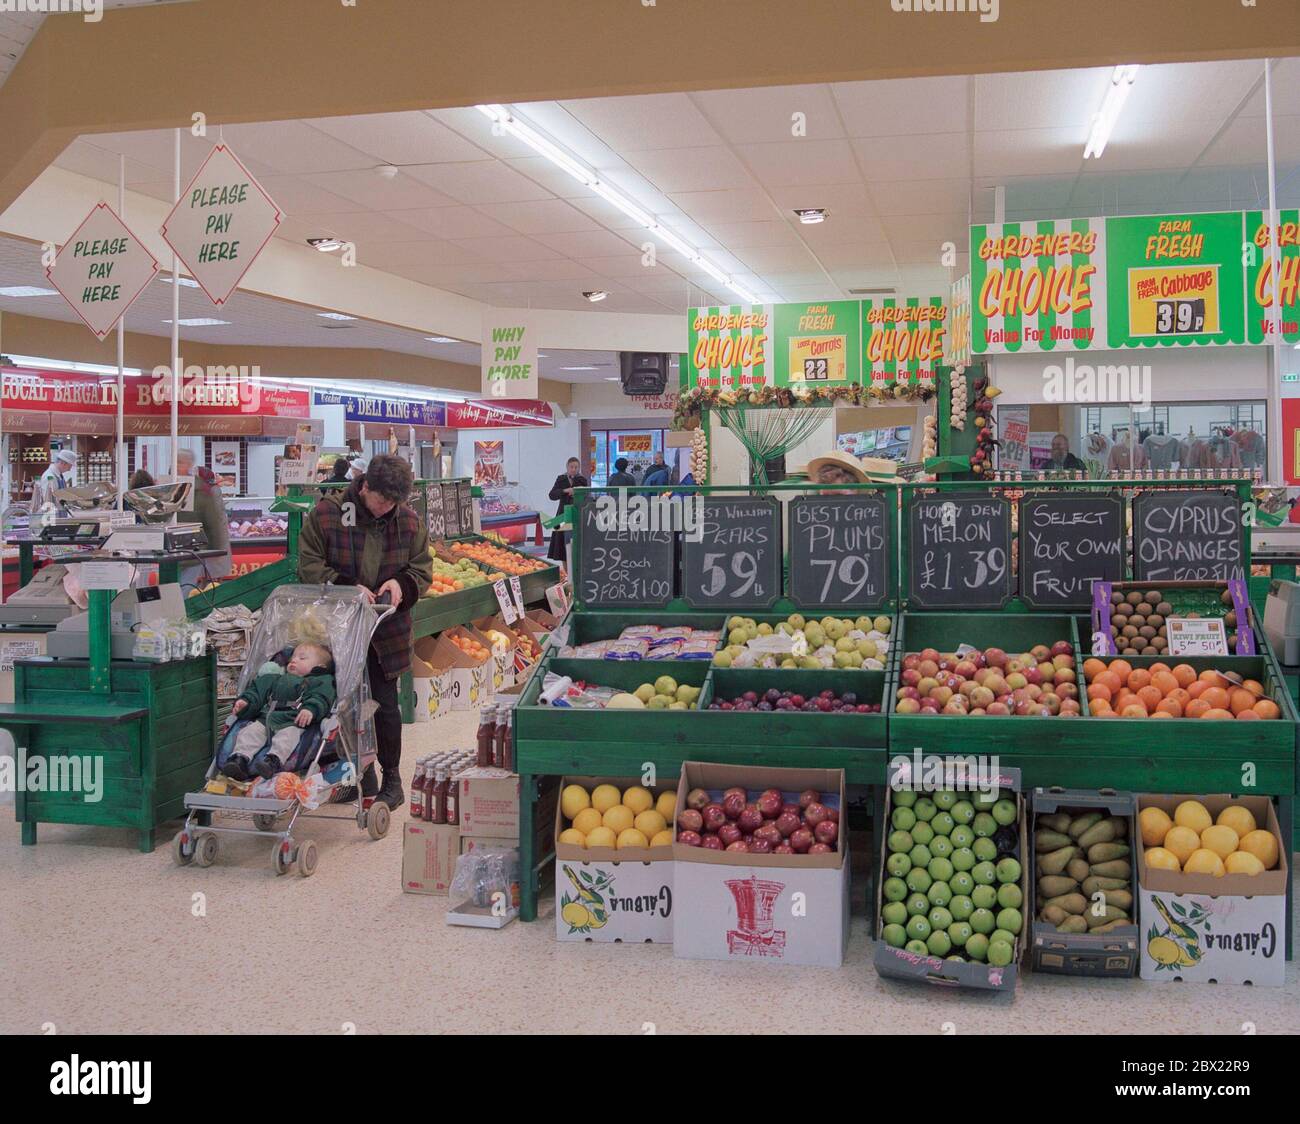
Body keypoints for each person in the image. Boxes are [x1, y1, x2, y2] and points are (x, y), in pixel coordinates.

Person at [297, 454, 433, 809]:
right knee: (338, 704)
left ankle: (392, 779)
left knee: (385, 706)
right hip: (335, 629)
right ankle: (357, 774)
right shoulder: (326, 514)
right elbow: (309, 564)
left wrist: (402, 583)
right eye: (380, 500)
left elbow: (422, 569)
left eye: (393, 502)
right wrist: (345, 587)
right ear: (364, 485)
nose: (385, 508)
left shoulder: (409, 520)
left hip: (386, 628)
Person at [221, 642, 336, 780]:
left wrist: (310, 709)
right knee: (250, 732)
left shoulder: (320, 681)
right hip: (266, 718)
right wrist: (245, 701)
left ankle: (272, 761)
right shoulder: (274, 678)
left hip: (293, 721)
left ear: (319, 667)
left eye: (302, 658)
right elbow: (257, 692)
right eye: (293, 657)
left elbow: (321, 697)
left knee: (287, 737)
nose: (294, 660)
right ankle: (239, 759)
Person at [176, 448, 233, 585]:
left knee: (184, 589)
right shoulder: (168, 485)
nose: (177, 466)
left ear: (189, 465)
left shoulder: (203, 491)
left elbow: (214, 522)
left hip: (193, 551)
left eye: (180, 462)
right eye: (175, 462)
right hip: (172, 552)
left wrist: (217, 550)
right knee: (176, 590)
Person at [547, 456, 587, 562]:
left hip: (577, 515)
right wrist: (564, 491)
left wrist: (578, 493)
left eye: (576, 467)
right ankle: (567, 575)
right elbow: (552, 495)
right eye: (571, 467)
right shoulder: (561, 479)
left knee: (577, 544)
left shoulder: (582, 480)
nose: (573, 469)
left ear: (579, 468)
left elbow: (587, 496)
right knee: (561, 547)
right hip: (562, 515)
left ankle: (575, 574)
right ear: (567, 467)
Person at [32, 448, 78, 515]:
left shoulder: (59, 476)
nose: (70, 469)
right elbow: (48, 501)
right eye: (70, 466)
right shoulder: (50, 477)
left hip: (60, 514)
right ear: (63, 463)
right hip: (53, 516)